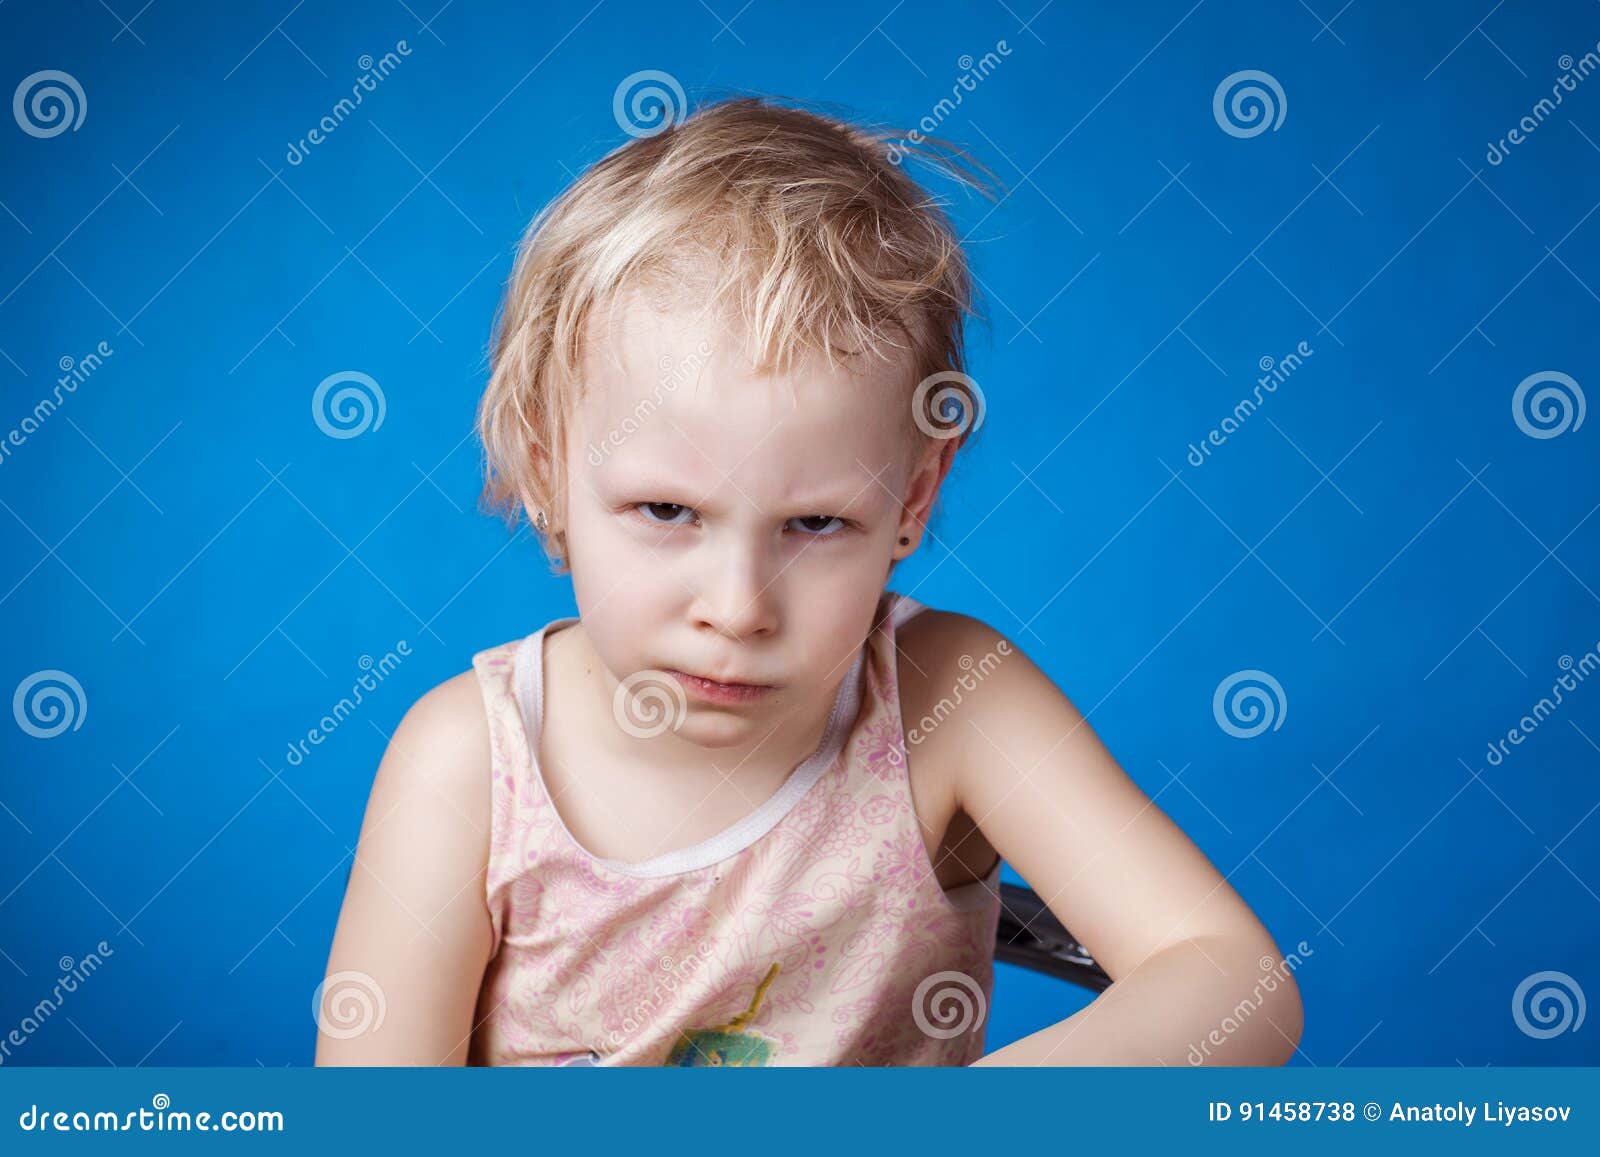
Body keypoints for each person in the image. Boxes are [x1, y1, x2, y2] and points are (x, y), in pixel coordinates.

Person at [315, 94, 1303, 1067]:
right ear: (545, 470)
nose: (738, 607)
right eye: (667, 512)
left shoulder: (945, 701)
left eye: (817, 523)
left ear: (914, 499)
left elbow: (1233, 982)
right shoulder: (467, 768)